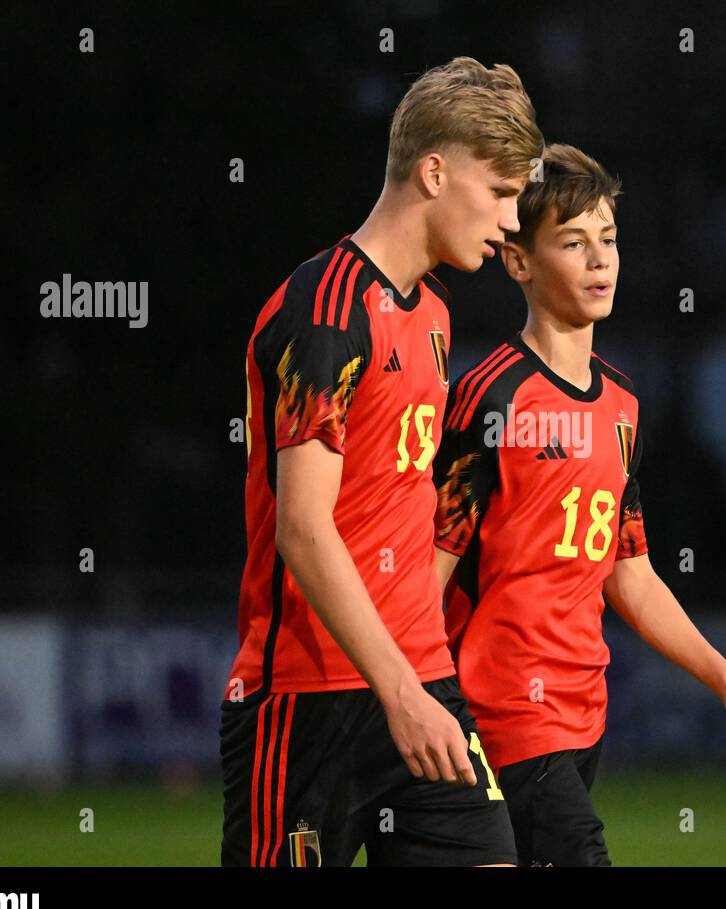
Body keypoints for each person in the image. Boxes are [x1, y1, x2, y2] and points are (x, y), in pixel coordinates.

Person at [221, 57, 544, 867]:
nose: (512, 221)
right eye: (501, 193)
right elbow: (303, 529)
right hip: (306, 701)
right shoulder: (323, 311)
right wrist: (398, 692)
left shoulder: (433, 314)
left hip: (421, 684)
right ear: (435, 172)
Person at [433, 144, 726, 866]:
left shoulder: (621, 404)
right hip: (502, 709)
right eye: (573, 242)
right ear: (519, 263)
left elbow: (628, 572)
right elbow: (429, 567)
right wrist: (412, 700)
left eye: (608, 239)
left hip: (582, 714)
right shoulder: (491, 397)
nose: (600, 261)